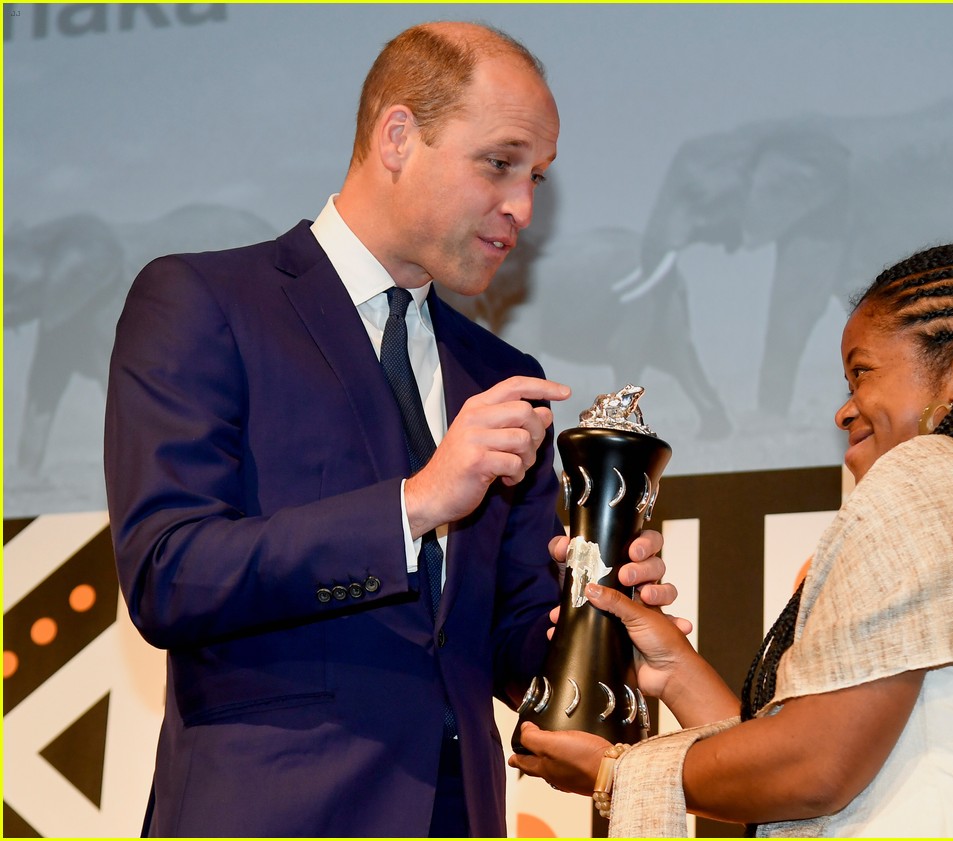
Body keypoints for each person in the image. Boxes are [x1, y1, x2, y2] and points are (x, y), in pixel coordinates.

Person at [104, 21, 674, 838]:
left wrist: (601, 618)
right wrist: (411, 505)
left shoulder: (500, 372)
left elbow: (512, 643)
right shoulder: (205, 302)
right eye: (501, 163)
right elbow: (170, 572)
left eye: (538, 176)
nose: (522, 207)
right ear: (398, 136)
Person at [511, 242, 953, 836]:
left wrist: (617, 771)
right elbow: (827, 765)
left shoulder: (929, 476)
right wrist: (672, 666)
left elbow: (816, 768)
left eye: (863, 373)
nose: (844, 410)